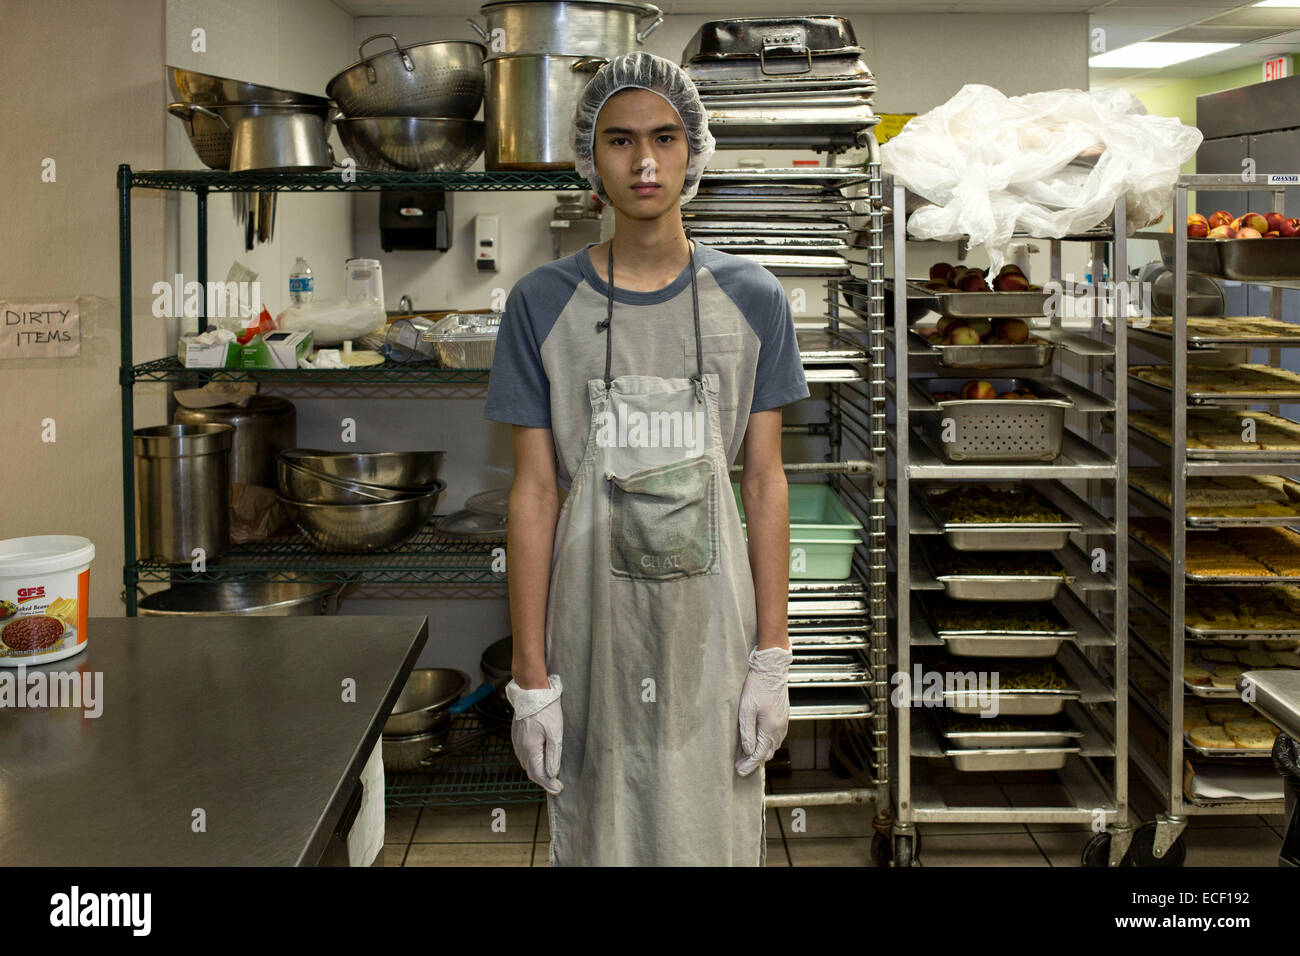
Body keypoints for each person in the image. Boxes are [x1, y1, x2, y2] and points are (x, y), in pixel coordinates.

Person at [483, 51, 809, 866]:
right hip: (594, 634)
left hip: (714, 637)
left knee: (711, 834)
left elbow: (764, 483)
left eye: (665, 137)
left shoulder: (755, 300)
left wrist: (772, 655)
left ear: (693, 151)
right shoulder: (540, 303)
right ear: (590, 159)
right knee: (603, 832)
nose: (645, 161)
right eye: (620, 140)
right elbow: (533, 494)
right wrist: (531, 678)